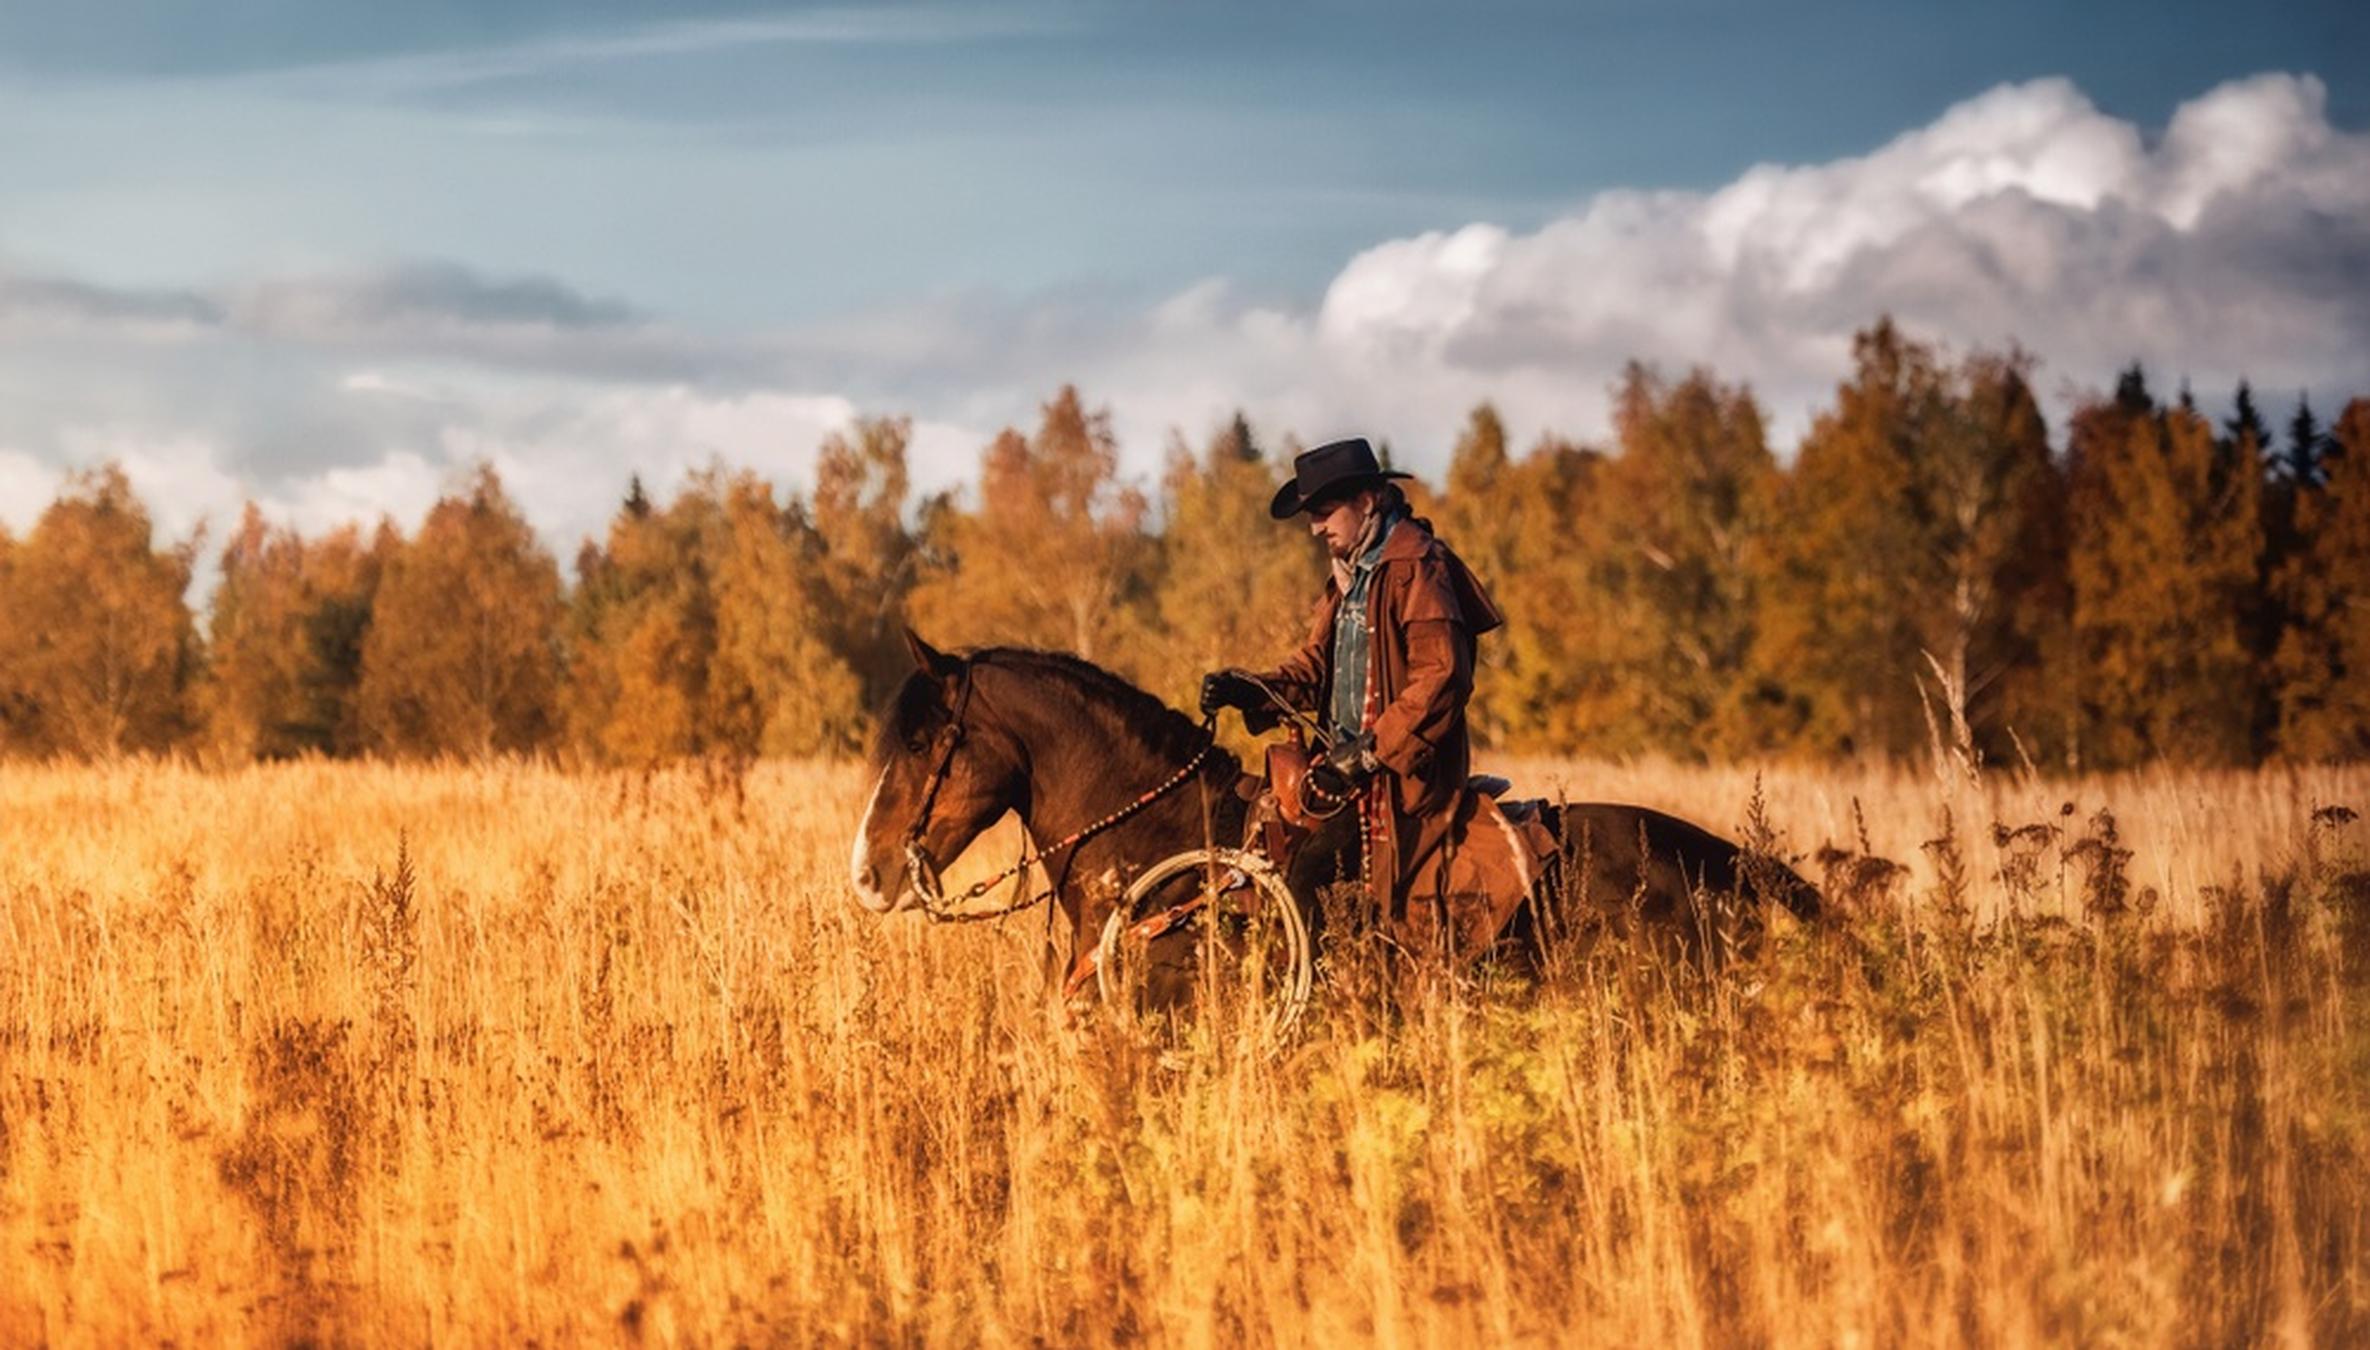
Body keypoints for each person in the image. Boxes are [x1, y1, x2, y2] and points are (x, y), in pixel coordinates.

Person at [1200, 437, 1541, 957]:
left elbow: (1441, 678)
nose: (1315, 527)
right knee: (1233, 825)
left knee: (1309, 879)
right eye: (1311, 515)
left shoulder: (1418, 566)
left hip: (1403, 777)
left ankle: (1323, 1012)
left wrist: (1366, 754)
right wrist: (1253, 688)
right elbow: (1317, 669)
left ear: (1367, 500)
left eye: (1323, 511)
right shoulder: (1349, 577)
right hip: (1343, 769)